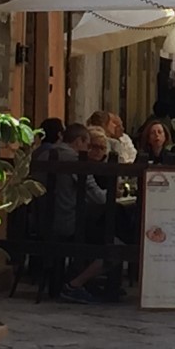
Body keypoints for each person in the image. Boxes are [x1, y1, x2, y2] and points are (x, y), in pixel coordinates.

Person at [51, 124, 109, 304]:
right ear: (79, 141)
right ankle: (76, 284)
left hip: (44, 222)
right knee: (113, 242)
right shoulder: (76, 160)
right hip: (70, 222)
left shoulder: (45, 154)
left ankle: (81, 280)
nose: (88, 149)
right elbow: (99, 198)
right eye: (88, 144)